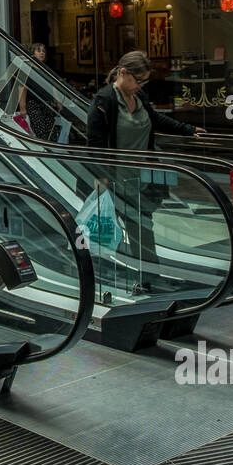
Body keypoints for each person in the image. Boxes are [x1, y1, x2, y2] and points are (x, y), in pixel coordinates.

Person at [87, 50, 204, 290]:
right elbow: (95, 144)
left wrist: (188, 130)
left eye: (144, 81)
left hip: (143, 178)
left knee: (141, 226)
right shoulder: (105, 100)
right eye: (138, 80)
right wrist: (101, 178)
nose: (140, 85)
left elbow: (156, 120)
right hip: (116, 180)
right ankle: (146, 277)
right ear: (123, 73)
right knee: (138, 227)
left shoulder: (138, 97)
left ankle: (147, 276)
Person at [18, 42, 60, 140]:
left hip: (47, 104)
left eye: (43, 51)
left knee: (52, 133)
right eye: (39, 51)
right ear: (33, 54)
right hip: (33, 105)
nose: (42, 53)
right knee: (41, 132)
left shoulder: (47, 70)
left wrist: (58, 101)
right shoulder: (26, 69)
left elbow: (53, 86)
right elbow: (22, 88)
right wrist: (22, 107)